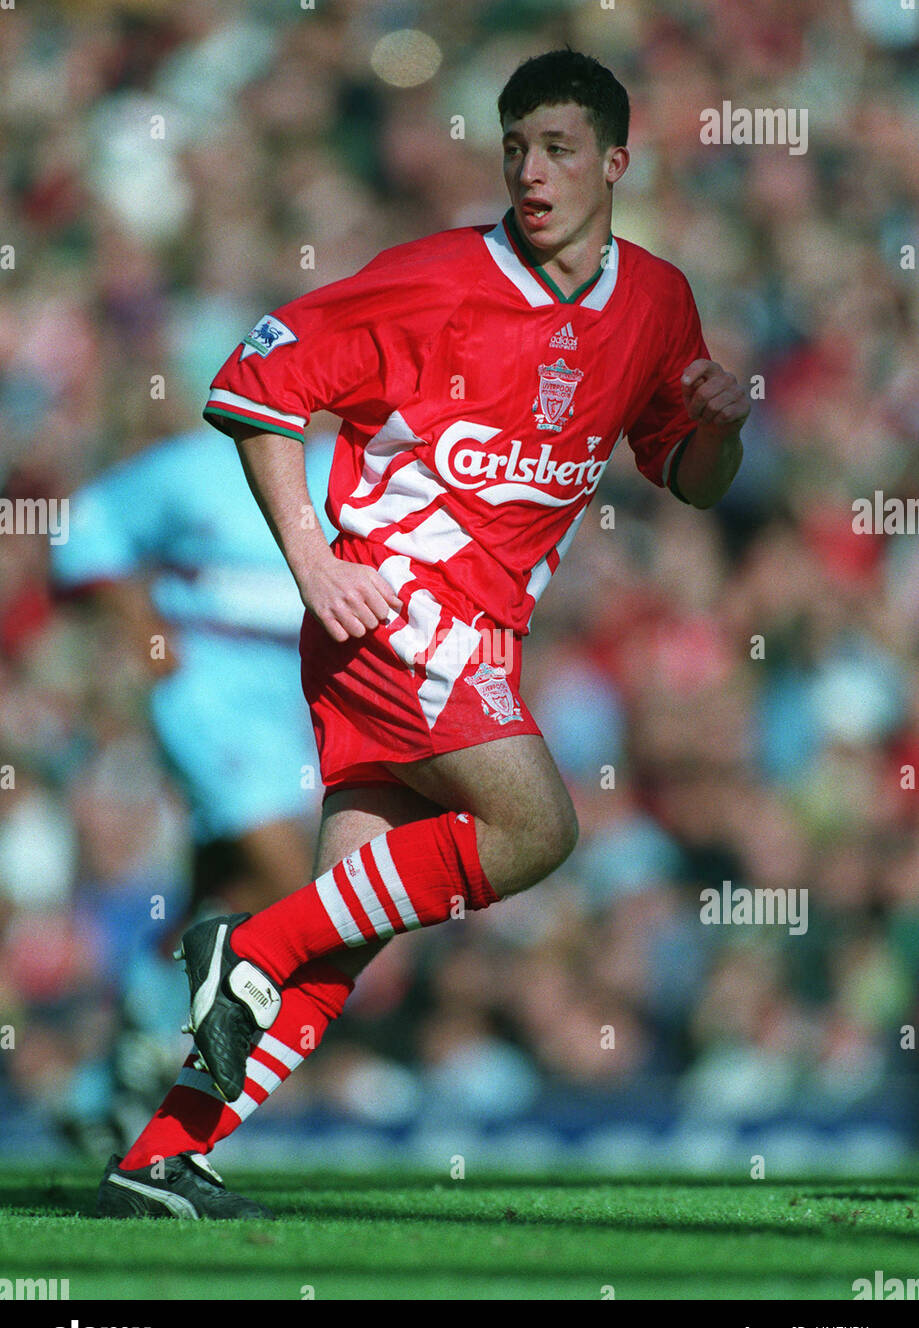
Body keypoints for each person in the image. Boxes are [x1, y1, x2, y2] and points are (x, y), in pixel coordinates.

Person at [97, 49, 749, 1218]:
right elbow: (253, 383)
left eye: (556, 147)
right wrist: (312, 559)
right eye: (514, 147)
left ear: (615, 160)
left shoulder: (655, 303)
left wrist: (717, 429)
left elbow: (693, 481)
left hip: (471, 637)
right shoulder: (436, 279)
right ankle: (239, 949)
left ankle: (159, 1154)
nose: (531, 171)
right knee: (538, 826)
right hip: (398, 614)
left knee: (347, 930)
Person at [52, 426, 334, 1151]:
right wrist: (142, 628)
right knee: (286, 876)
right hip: (208, 687)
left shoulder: (356, 465)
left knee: (222, 890)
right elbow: (83, 525)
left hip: (300, 698)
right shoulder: (193, 465)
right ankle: (166, 1078)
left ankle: (114, 1072)